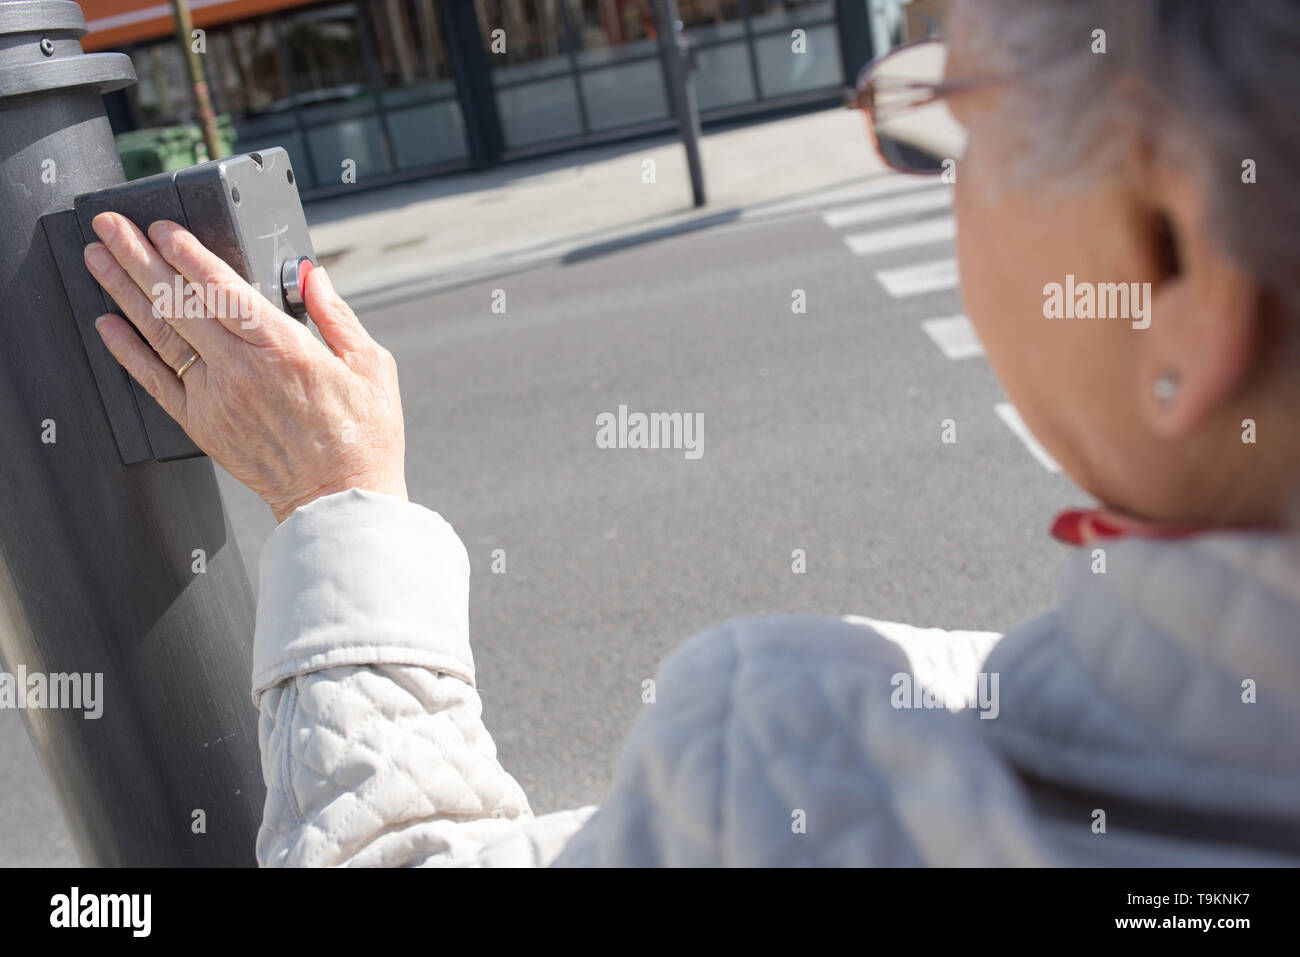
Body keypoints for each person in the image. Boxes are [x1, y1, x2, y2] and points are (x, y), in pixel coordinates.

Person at [82, 0, 1300, 866]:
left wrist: (335, 498)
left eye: (954, 118)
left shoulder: (799, 773)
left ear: (1173, 265)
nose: (929, 185)